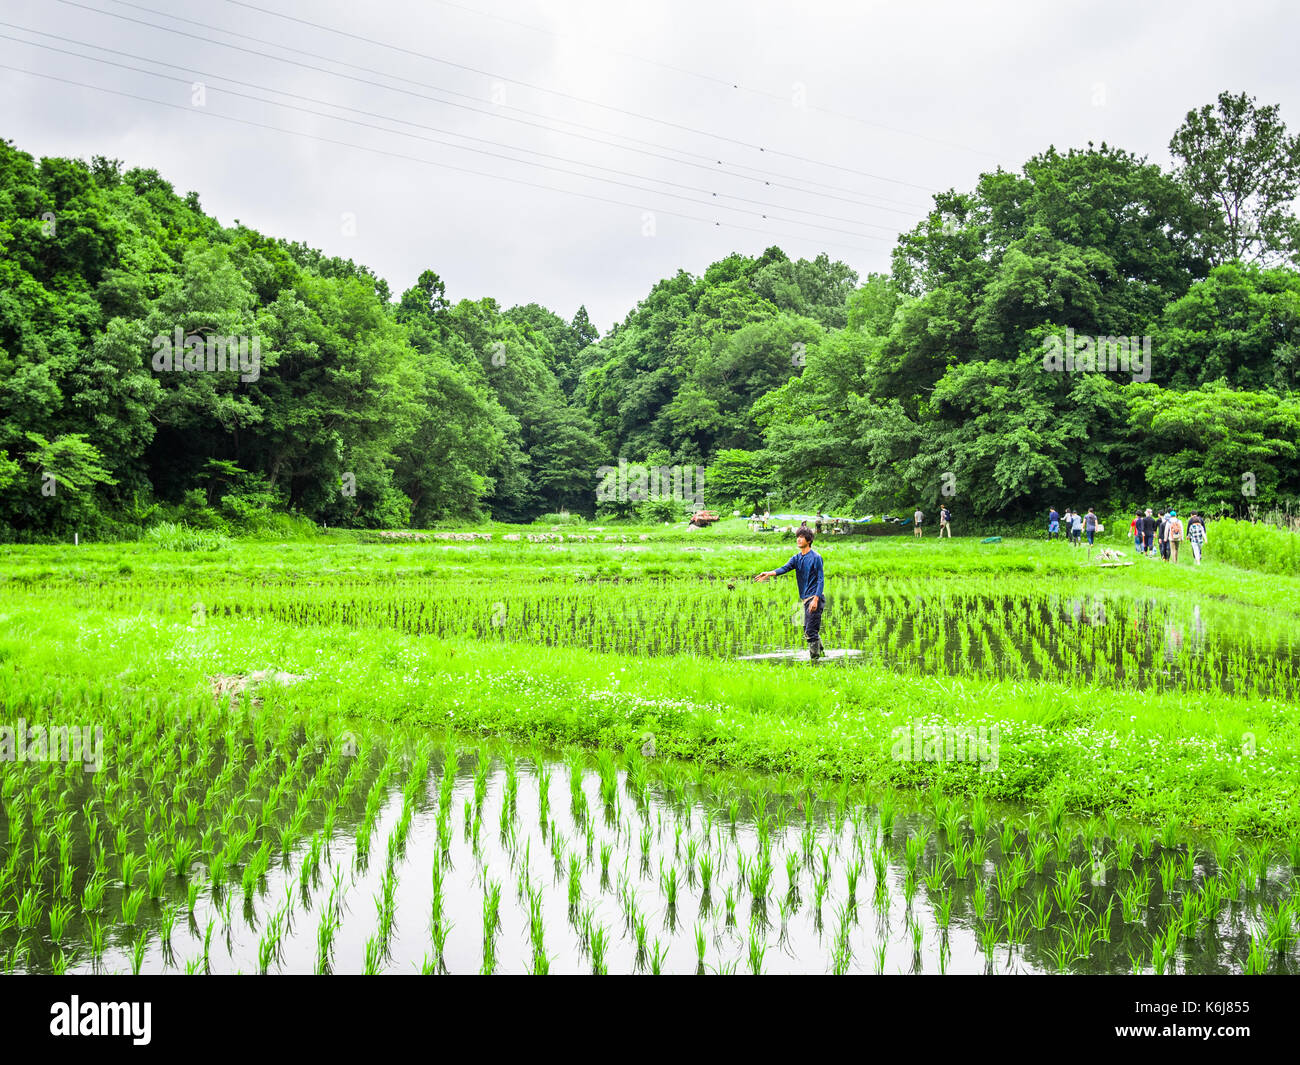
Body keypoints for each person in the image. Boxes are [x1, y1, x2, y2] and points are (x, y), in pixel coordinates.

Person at [755, 526, 826, 661]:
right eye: (797, 537)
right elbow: (784, 568)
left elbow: (820, 579)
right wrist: (769, 573)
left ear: (809, 539)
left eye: (802, 537)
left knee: (810, 631)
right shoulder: (796, 558)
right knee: (809, 630)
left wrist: (816, 599)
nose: (798, 539)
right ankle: (822, 656)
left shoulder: (816, 557)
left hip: (814, 598)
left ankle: (815, 661)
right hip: (805, 599)